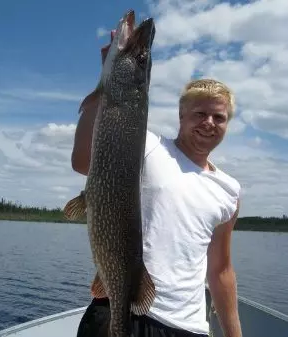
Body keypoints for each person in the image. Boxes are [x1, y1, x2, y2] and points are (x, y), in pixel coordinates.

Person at [71, 31, 243, 337]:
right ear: (181, 115)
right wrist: (105, 81)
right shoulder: (148, 145)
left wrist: (234, 334)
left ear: (227, 123)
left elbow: (220, 270)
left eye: (219, 117)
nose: (209, 123)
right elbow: (84, 161)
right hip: (118, 306)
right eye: (200, 113)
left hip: (188, 327)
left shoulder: (229, 189)